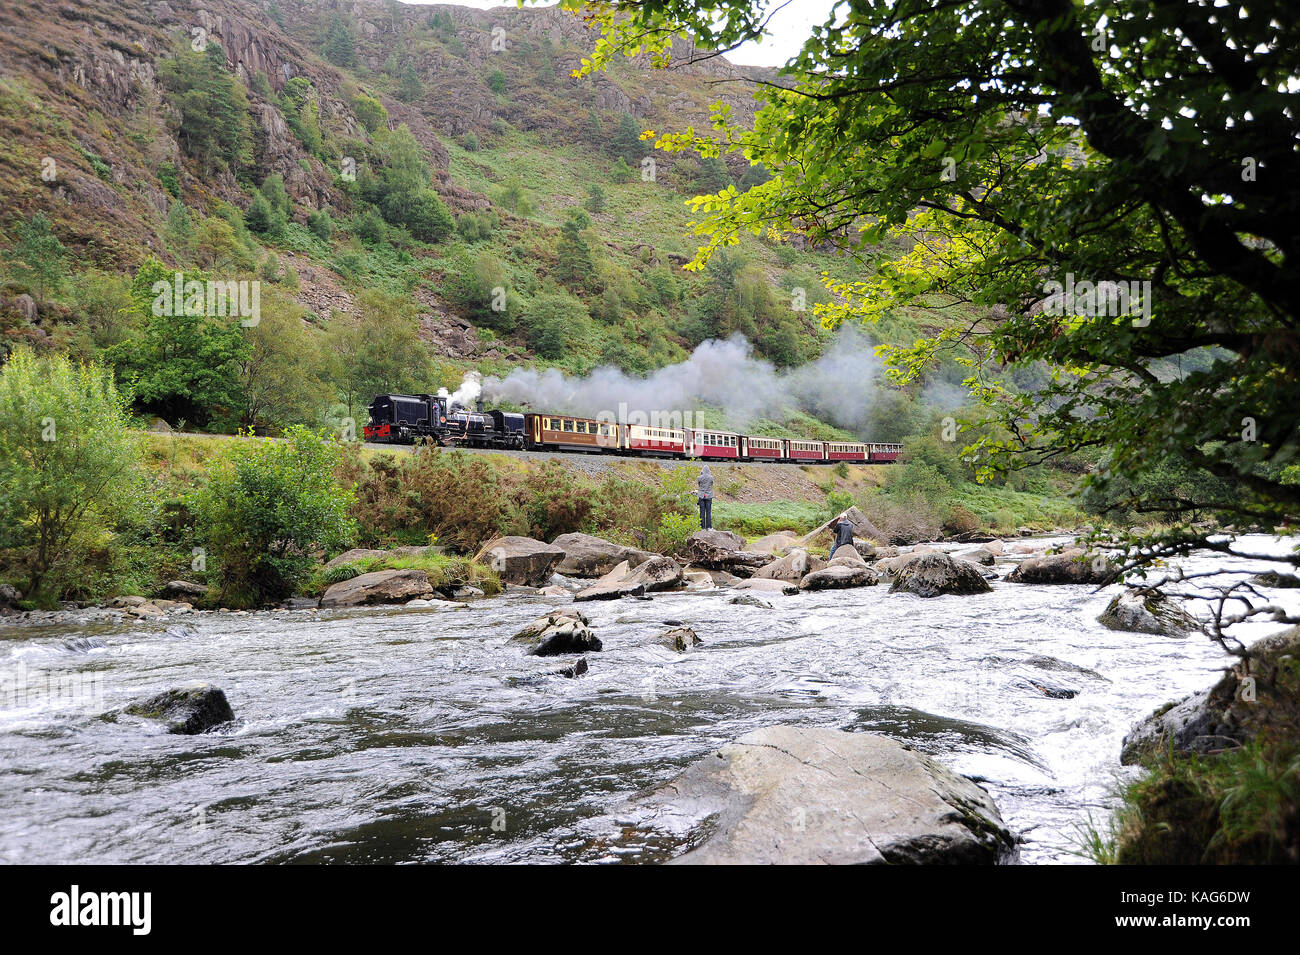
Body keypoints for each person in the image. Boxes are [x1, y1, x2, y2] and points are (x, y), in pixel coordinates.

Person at [697, 464, 714, 530]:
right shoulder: (711, 477)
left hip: (701, 496)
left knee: (702, 512)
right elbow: (711, 485)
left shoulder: (699, 478)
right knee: (708, 512)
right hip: (709, 496)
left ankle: (702, 527)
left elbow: (699, 485)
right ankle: (709, 527)